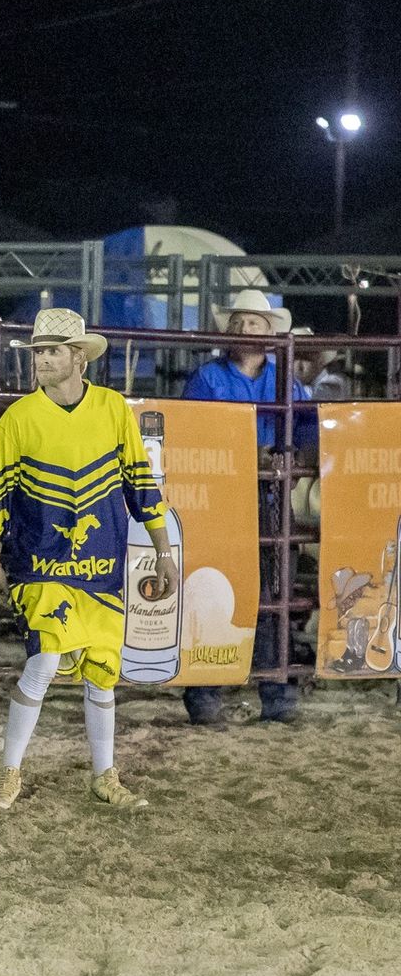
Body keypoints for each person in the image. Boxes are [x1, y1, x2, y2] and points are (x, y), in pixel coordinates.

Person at [0, 308, 178, 811]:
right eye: (38, 352)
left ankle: (104, 775)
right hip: (38, 561)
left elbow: (140, 482)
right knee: (45, 658)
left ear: (79, 359)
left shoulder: (113, 409)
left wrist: (163, 550)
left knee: (102, 671)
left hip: (101, 564)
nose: (43, 360)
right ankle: (10, 770)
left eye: (53, 351)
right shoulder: (17, 419)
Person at [179, 287, 314, 725]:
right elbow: (192, 433)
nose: (242, 329)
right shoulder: (209, 378)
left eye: (251, 322)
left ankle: (271, 693)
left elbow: (307, 429)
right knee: (218, 588)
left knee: (272, 593)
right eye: (237, 322)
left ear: (267, 332)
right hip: (223, 493)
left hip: (267, 494)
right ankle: (211, 693)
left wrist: (286, 456)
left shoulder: (283, 380)